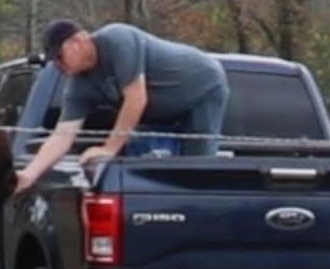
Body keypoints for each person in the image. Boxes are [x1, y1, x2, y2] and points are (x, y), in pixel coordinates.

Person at [14, 19, 230, 195]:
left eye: (59, 57)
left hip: (202, 89)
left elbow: (136, 99)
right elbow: (63, 135)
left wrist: (108, 148)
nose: (58, 66)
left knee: (196, 173)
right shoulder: (78, 86)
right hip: (159, 112)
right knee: (151, 175)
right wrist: (29, 174)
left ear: (78, 41)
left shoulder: (117, 39)